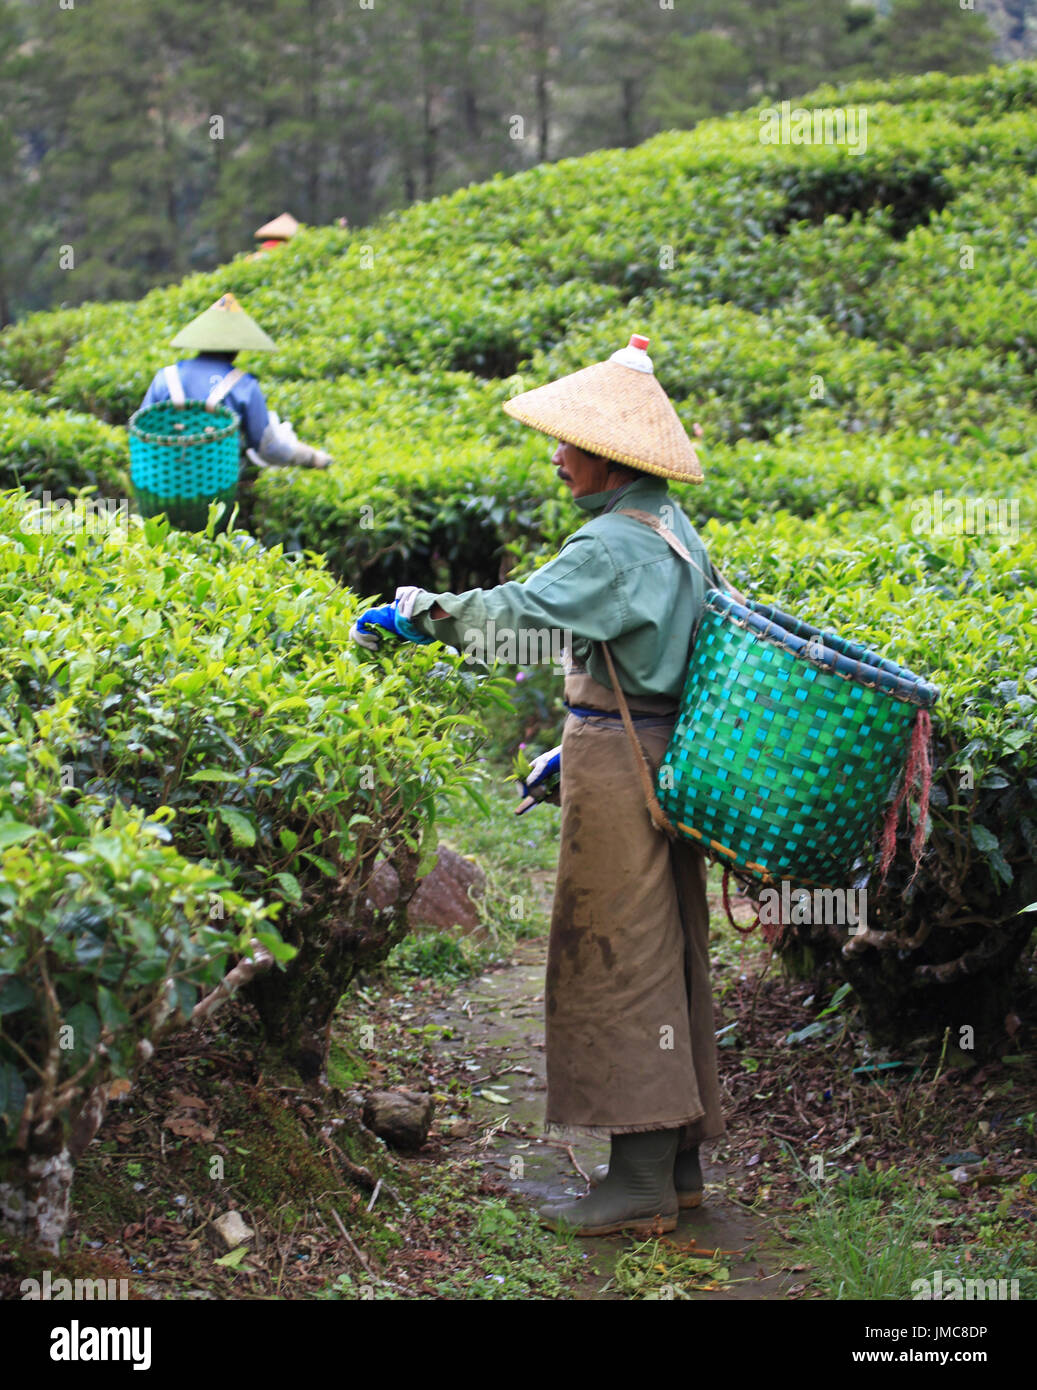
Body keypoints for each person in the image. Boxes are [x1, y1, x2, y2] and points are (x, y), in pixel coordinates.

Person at [351, 333, 727, 1236]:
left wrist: (427, 615)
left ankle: (635, 1182)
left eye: (568, 441)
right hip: (651, 751)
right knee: (667, 947)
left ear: (609, 454)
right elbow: (664, 658)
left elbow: (516, 615)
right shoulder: (672, 531)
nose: (555, 455)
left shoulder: (608, 545)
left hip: (622, 767)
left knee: (616, 953)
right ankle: (674, 1168)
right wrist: (584, 738)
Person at [140, 292, 331, 470]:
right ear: (237, 348)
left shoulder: (166, 376)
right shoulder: (244, 386)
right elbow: (267, 447)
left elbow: (142, 428)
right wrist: (312, 457)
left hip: (162, 482)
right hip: (215, 484)